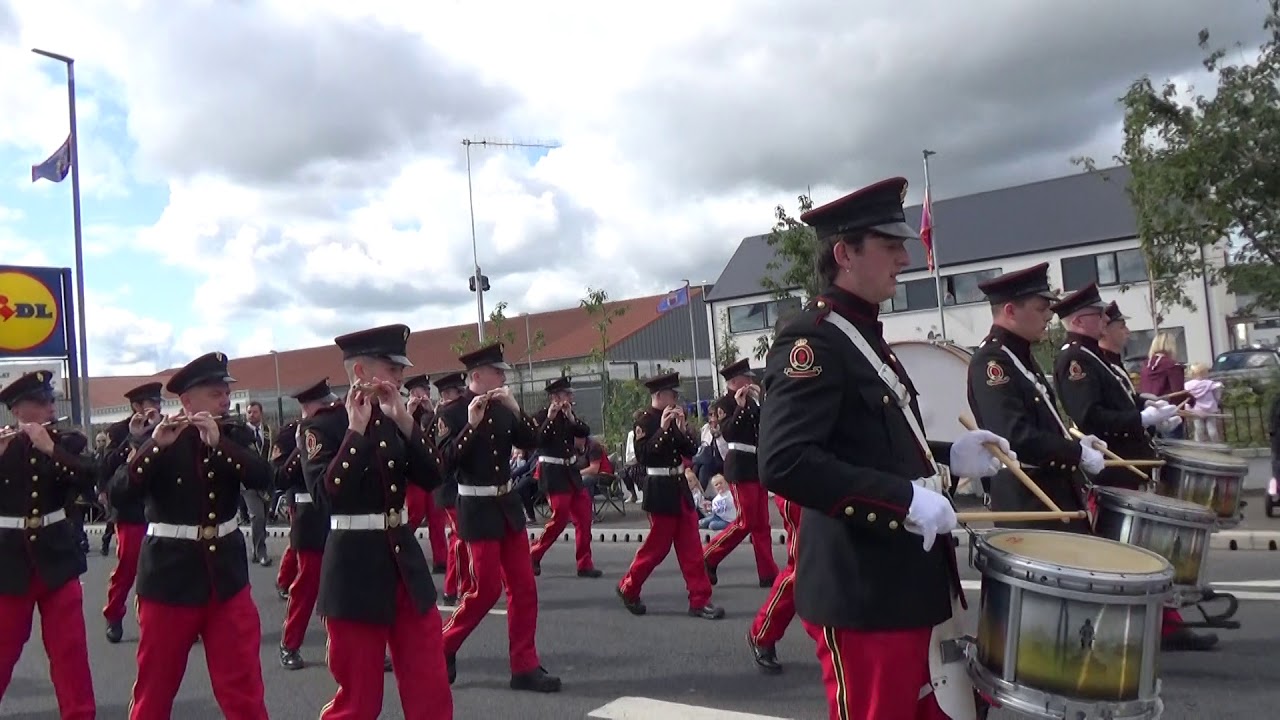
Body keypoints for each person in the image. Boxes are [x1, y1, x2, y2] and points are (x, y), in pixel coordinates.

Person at [758, 176, 1011, 720]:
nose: (904, 257)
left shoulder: (867, 336)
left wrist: (951, 458)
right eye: (890, 245)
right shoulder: (814, 340)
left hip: (907, 584)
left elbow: (882, 447)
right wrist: (905, 501)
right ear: (845, 253)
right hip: (864, 593)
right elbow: (785, 461)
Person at [1051, 287, 1216, 652]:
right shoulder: (1074, 360)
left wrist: (1144, 403)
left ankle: (1163, 623)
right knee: (1125, 556)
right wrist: (1139, 418)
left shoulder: (1094, 358)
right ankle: (1138, 627)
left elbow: (1115, 400)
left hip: (1129, 467)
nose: (1106, 321)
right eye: (1099, 316)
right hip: (1112, 469)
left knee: (1142, 553)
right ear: (1079, 321)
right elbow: (1090, 416)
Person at [300, 324, 452, 718]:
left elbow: (434, 476)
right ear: (362, 372)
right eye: (392, 367)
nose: (401, 376)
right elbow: (326, 496)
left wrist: (404, 420)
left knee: (430, 684)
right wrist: (355, 430)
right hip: (354, 571)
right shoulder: (324, 426)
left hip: (403, 563)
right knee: (359, 700)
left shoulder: (394, 418)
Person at [119, 352, 273, 719]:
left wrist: (221, 444)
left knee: (244, 689)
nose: (226, 399)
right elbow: (120, 493)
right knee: (155, 689)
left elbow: (264, 477)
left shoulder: (232, 435)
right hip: (169, 577)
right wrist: (153, 446)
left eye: (226, 392)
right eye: (216, 393)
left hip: (226, 577)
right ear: (187, 401)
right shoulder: (162, 439)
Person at [438, 342, 560, 693]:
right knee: (485, 590)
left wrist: (516, 407)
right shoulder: (452, 412)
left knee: (524, 588)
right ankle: (444, 645)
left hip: (506, 506)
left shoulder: (504, 406)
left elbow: (532, 440)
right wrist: (471, 426)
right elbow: (444, 462)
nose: (504, 376)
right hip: (476, 509)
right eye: (498, 371)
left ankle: (524, 665)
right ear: (477, 375)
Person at [964, 264, 1102, 532]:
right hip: (1031, 505)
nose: (1049, 316)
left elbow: (1041, 422)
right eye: (1040, 309)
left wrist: (1076, 441)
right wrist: (1076, 453)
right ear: (1010, 311)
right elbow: (1014, 435)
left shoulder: (1018, 356)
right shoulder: (992, 362)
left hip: (1052, 498)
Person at [0, 371, 97, 719]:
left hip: (58, 557)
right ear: (17, 410)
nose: (50, 408)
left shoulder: (67, 442)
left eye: (50, 401)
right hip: (8, 561)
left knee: (70, 651)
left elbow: (91, 477)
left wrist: (50, 448)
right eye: (40, 403)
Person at [616, 371, 725, 620]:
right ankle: (629, 586)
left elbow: (691, 449)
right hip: (659, 487)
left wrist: (683, 429)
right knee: (657, 548)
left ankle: (700, 599)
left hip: (679, 486)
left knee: (691, 547)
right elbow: (644, 456)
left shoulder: (675, 417)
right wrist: (664, 429)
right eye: (672, 394)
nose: (676, 398)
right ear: (660, 395)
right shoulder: (644, 420)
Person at [278, 378, 339, 671]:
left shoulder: (339, 424)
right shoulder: (295, 433)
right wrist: (301, 445)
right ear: (307, 407)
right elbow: (279, 475)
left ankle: (348, 649)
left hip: (336, 514)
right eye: (323, 404)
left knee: (344, 584)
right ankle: (290, 643)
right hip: (308, 514)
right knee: (306, 586)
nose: (329, 407)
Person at [702, 358, 777, 587]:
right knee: (745, 521)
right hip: (739, 464)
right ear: (735, 381)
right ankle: (709, 555)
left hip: (756, 463)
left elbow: (766, 424)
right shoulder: (725, 404)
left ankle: (767, 572)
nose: (750, 381)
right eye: (746, 378)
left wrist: (761, 398)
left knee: (762, 523)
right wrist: (741, 407)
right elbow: (729, 433)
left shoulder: (753, 402)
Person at [100, 381, 165, 643]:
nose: (157, 406)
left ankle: (152, 620)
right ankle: (114, 612)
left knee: (161, 567)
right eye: (151, 402)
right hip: (131, 510)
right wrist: (133, 438)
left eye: (159, 401)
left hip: (161, 507)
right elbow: (105, 467)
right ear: (136, 406)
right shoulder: (119, 431)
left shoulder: (168, 424)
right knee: (128, 566)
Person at [529, 376, 602, 578]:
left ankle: (584, 563)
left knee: (584, 516)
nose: (571, 396)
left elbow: (584, 431)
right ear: (555, 396)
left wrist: (571, 417)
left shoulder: (569, 415)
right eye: (567, 393)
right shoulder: (541, 416)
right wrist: (551, 419)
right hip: (553, 473)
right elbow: (537, 440)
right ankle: (534, 553)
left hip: (570, 472)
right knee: (559, 518)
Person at [431, 371, 470, 605]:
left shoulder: (451, 412)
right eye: (456, 391)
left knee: (463, 537)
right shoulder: (445, 414)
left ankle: (462, 586)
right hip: (450, 487)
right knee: (459, 537)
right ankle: (451, 588)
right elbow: (444, 455)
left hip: (460, 486)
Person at [404, 374, 448, 573]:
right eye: (423, 389)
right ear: (413, 392)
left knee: (437, 517)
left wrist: (433, 412)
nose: (427, 393)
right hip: (414, 475)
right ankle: (400, 549)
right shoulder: (404, 413)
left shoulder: (433, 413)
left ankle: (441, 560)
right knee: (414, 515)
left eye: (428, 389)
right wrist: (407, 412)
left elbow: (438, 438)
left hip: (433, 473)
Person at [271, 415, 301, 601]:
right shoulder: (291, 431)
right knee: (296, 541)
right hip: (297, 495)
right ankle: (284, 580)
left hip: (318, 495)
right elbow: (278, 465)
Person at [242, 400, 273, 567]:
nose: (251, 415)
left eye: (254, 412)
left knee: (264, 517)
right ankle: (261, 552)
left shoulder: (268, 431)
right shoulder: (241, 433)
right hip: (249, 483)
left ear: (261, 413)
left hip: (266, 482)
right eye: (249, 412)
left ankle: (256, 550)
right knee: (257, 517)